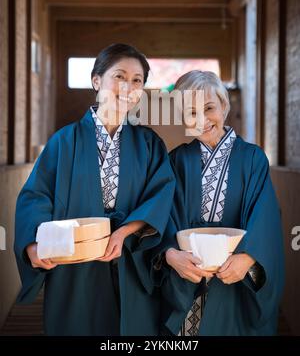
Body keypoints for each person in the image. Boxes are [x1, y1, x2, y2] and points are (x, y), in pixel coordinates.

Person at [14, 43, 175, 336]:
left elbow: (162, 193)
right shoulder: (64, 142)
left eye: (137, 80)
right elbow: (35, 196)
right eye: (120, 76)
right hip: (75, 264)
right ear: (96, 80)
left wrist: (125, 231)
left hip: (130, 259)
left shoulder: (150, 144)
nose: (128, 86)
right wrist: (32, 245)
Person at [159, 70, 284, 336]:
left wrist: (249, 257)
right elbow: (163, 215)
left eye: (209, 108)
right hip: (190, 276)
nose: (202, 119)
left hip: (235, 275)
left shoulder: (252, 158)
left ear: (224, 106)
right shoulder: (177, 160)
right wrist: (172, 254)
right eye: (192, 112)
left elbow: (266, 217)